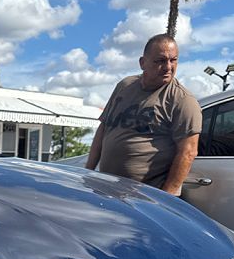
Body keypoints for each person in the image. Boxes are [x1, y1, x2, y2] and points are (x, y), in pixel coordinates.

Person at [85, 34, 202, 196]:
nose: (168, 67)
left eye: (173, 60)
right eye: (160, 61)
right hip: (107, 188)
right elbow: (104, 127)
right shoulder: (125, 86)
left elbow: (188, 152)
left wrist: (165, 198)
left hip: (145, 196)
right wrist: (88, 172)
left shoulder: (183, 100)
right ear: (142, 63)